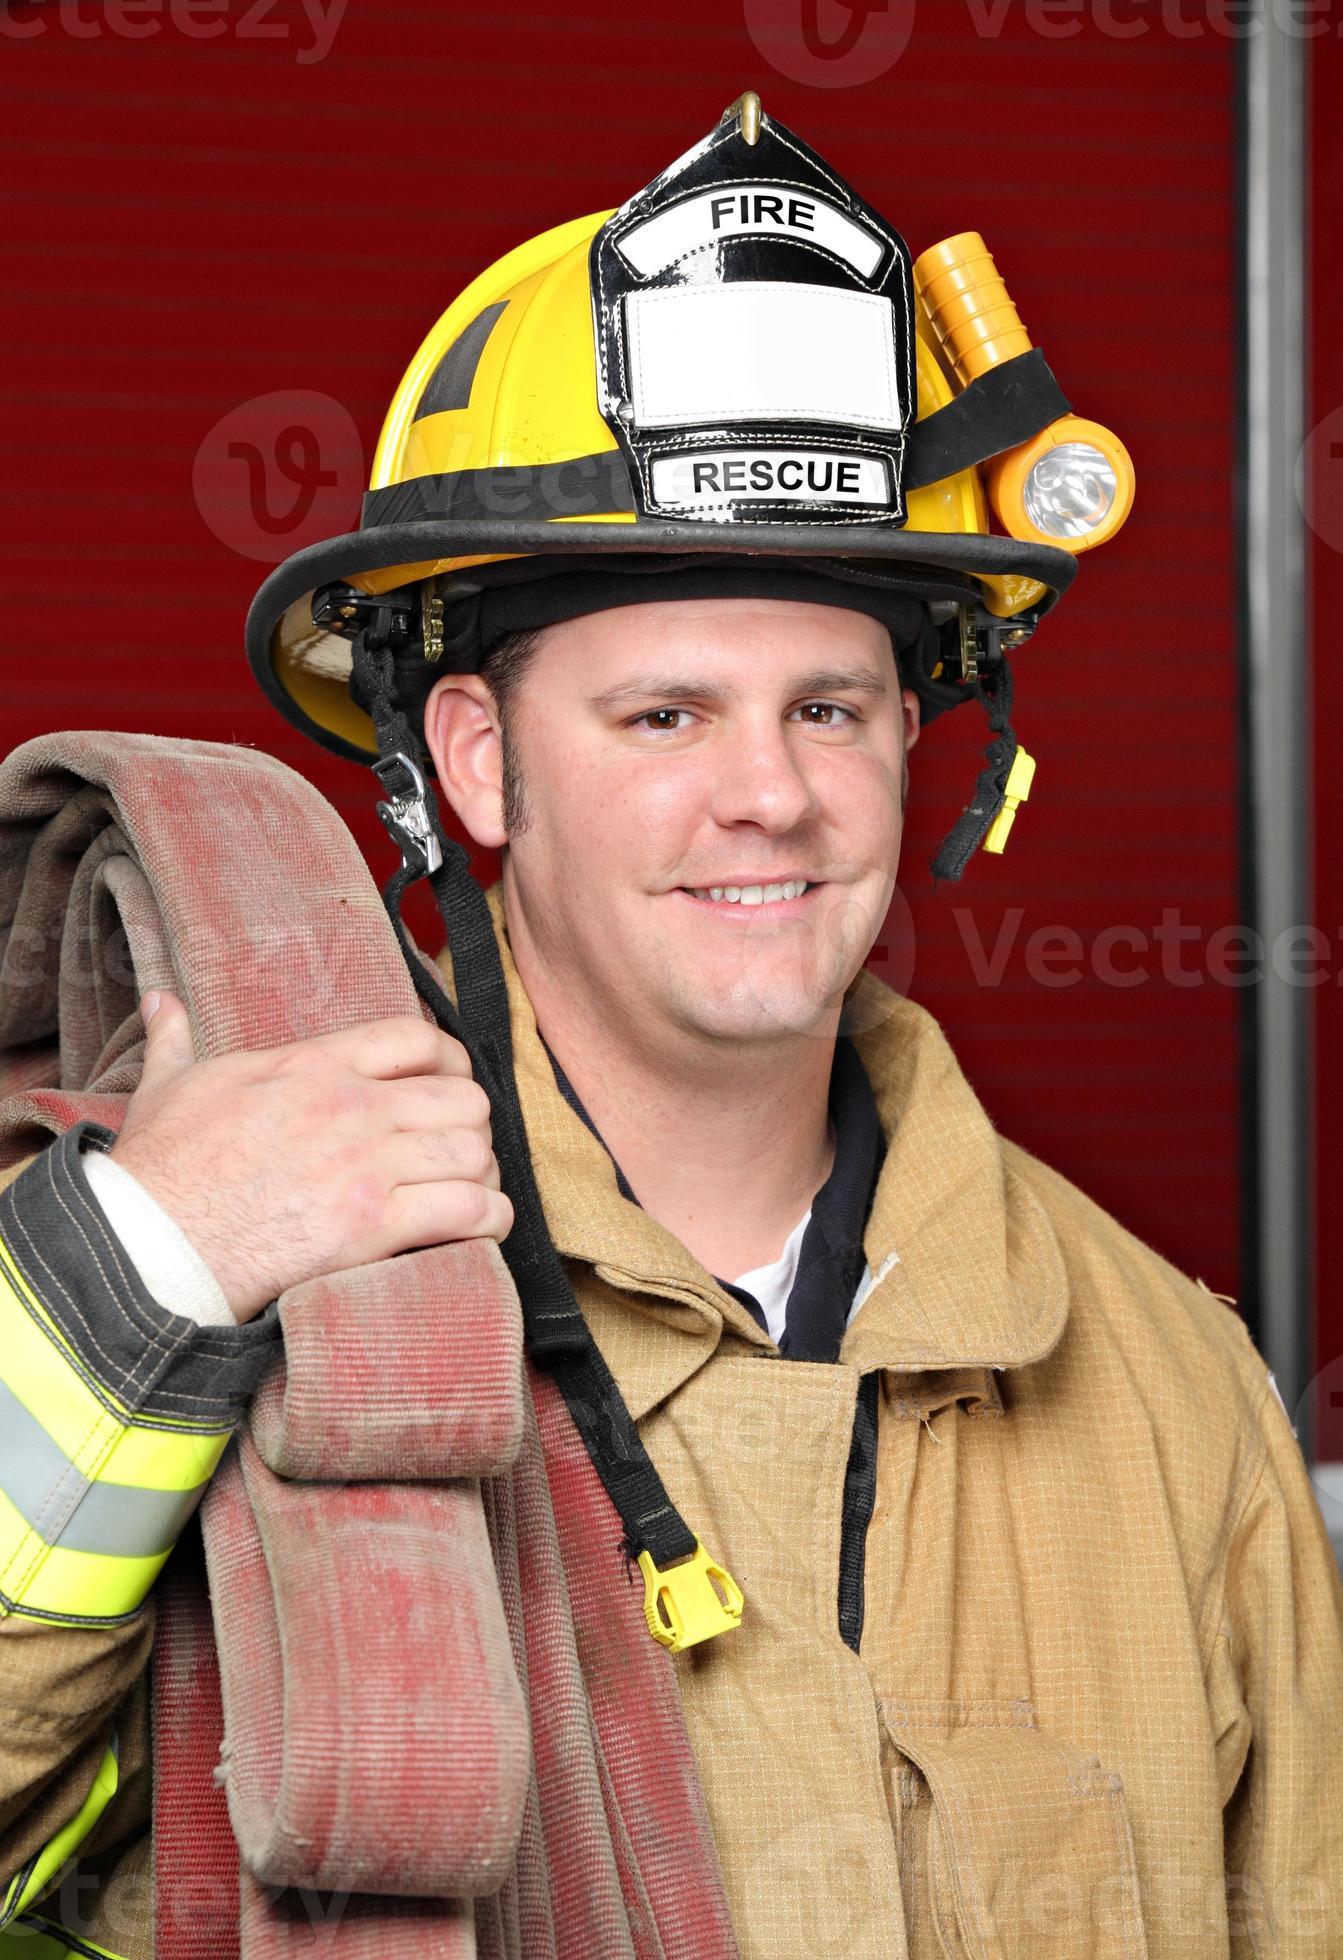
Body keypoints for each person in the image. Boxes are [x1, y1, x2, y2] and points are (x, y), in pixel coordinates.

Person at [2, 95, 1341, 1960]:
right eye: (663, 717)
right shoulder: (200, 1286)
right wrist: (144, 1269)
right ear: (474, 758)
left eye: (832, 708)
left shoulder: (1164, 1384)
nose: (770, 797)